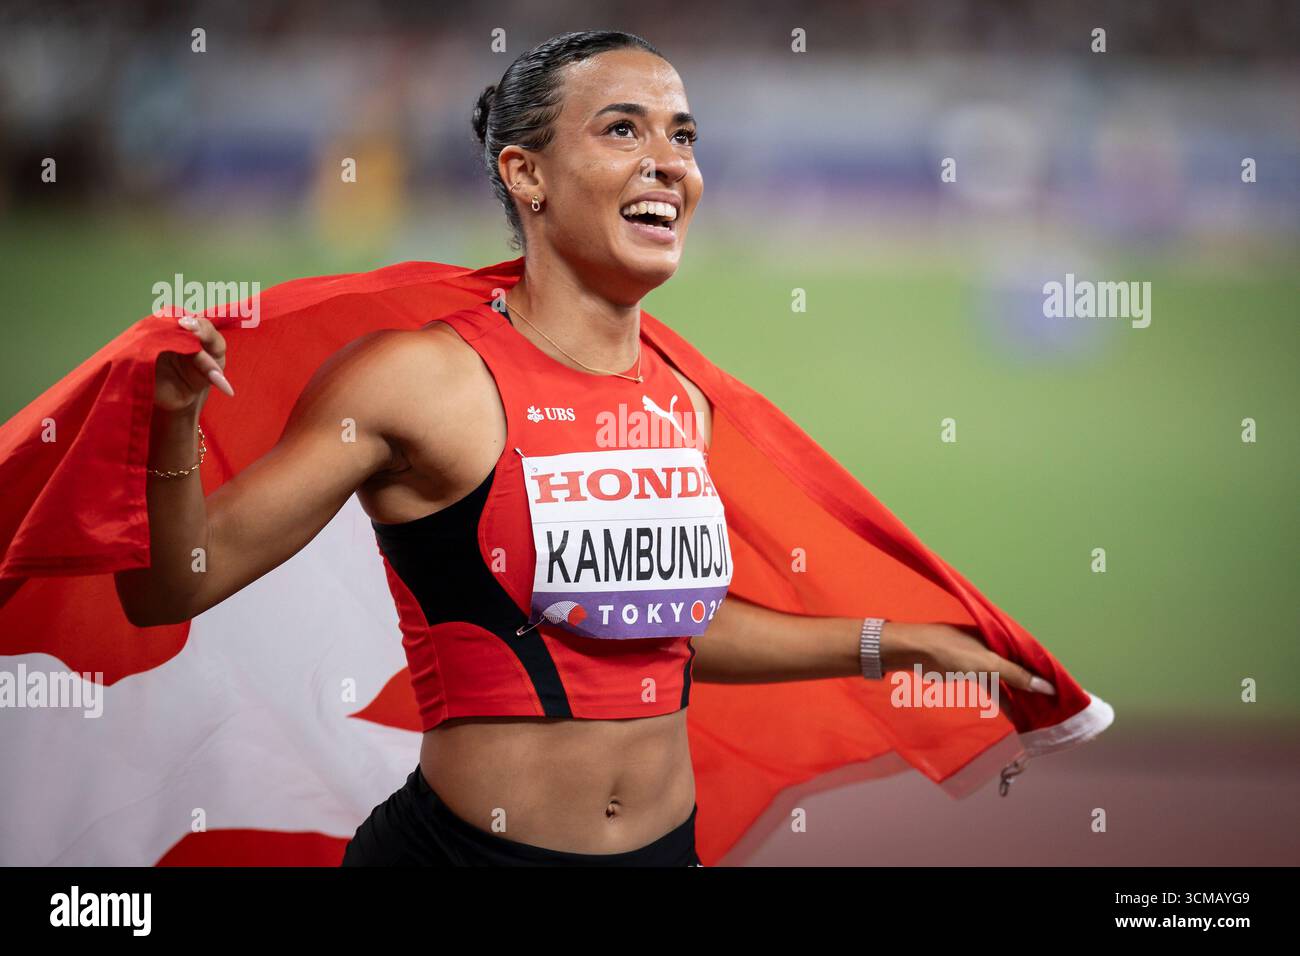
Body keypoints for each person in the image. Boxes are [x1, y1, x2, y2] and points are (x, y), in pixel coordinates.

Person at [112, 30, 1057, 867]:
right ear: (526, 175)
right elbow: (172, 588)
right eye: (623, 130)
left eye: (682, 135)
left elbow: (664, 623)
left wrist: (895, 642)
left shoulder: (679, 395)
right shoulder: (420, 381)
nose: (667, 161)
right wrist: (176, 420)